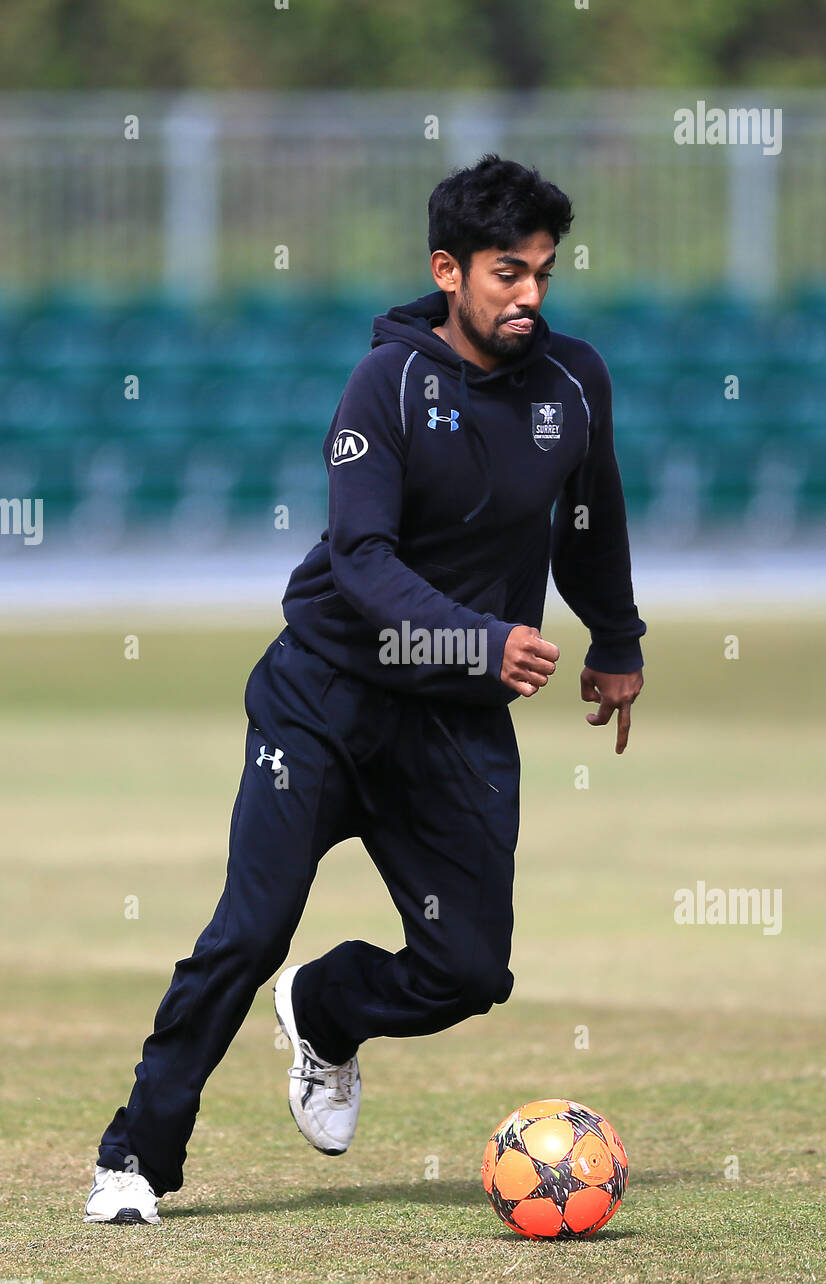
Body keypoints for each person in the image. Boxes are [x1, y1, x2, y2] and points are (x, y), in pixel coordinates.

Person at [84, 152, 646, 1225]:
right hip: (324, 700)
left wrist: (613, 640)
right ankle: (135, 1160)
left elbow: (590, 520)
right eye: (503, 272)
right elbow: (360, 557)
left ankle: (326, 1008)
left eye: (540, 272)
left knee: (469, 970)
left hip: (455, 729)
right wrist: (483, 641)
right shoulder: (384, 383)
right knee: (247, 933)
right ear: (447, 270)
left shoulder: (574, 382)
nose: (527, 294)